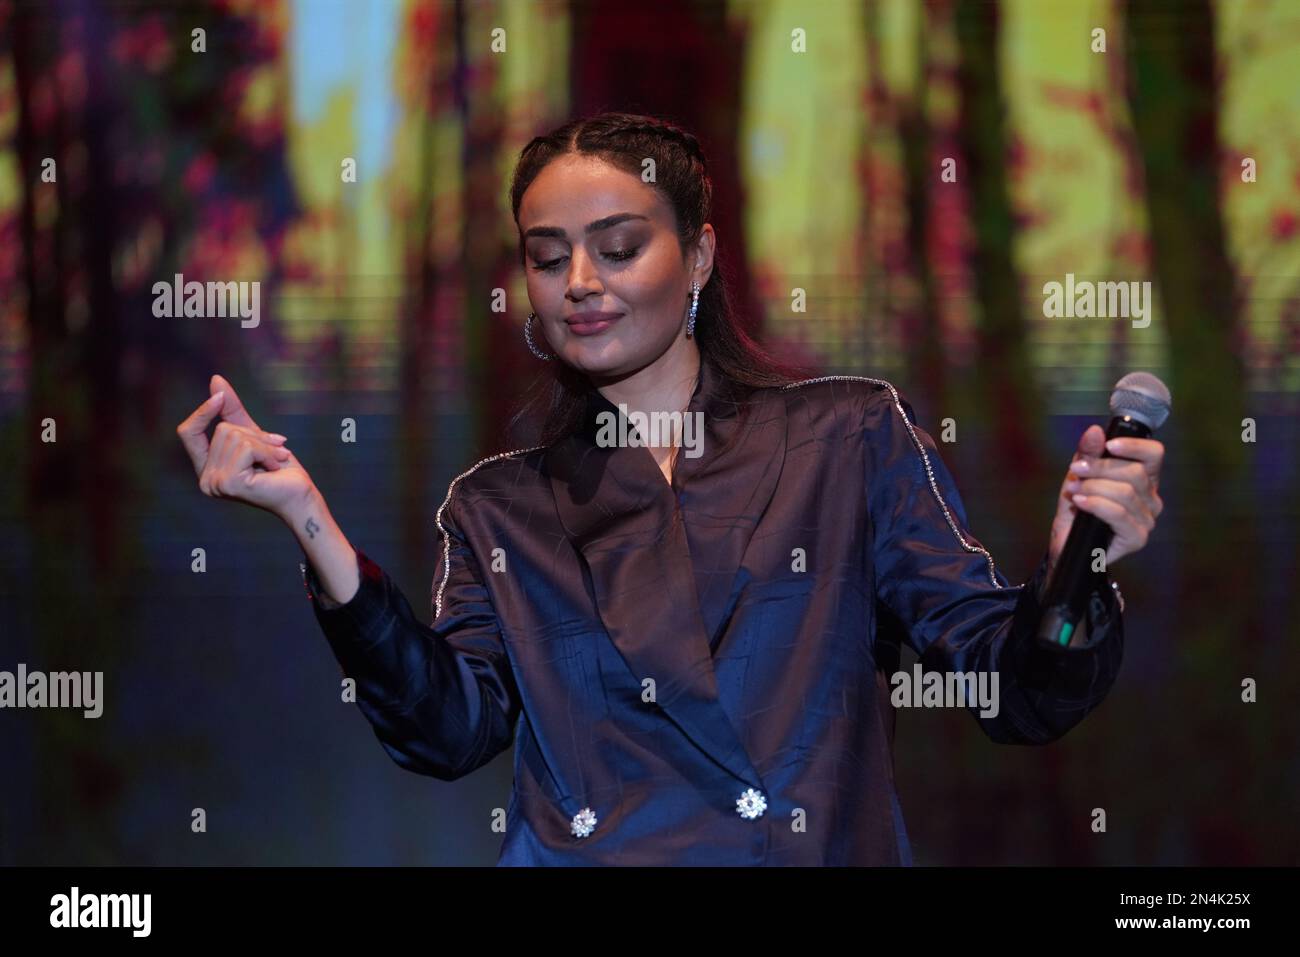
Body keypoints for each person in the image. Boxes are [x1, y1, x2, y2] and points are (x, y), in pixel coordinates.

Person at [176, 112, 1165, 865]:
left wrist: (1081, 566)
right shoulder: (499, 506)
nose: (580, 284)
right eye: (547, 256)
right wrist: (307, 517)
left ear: (696, 257)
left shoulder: (847, 437)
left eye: (617, 248)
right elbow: (447, 730)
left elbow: (1017, 692)